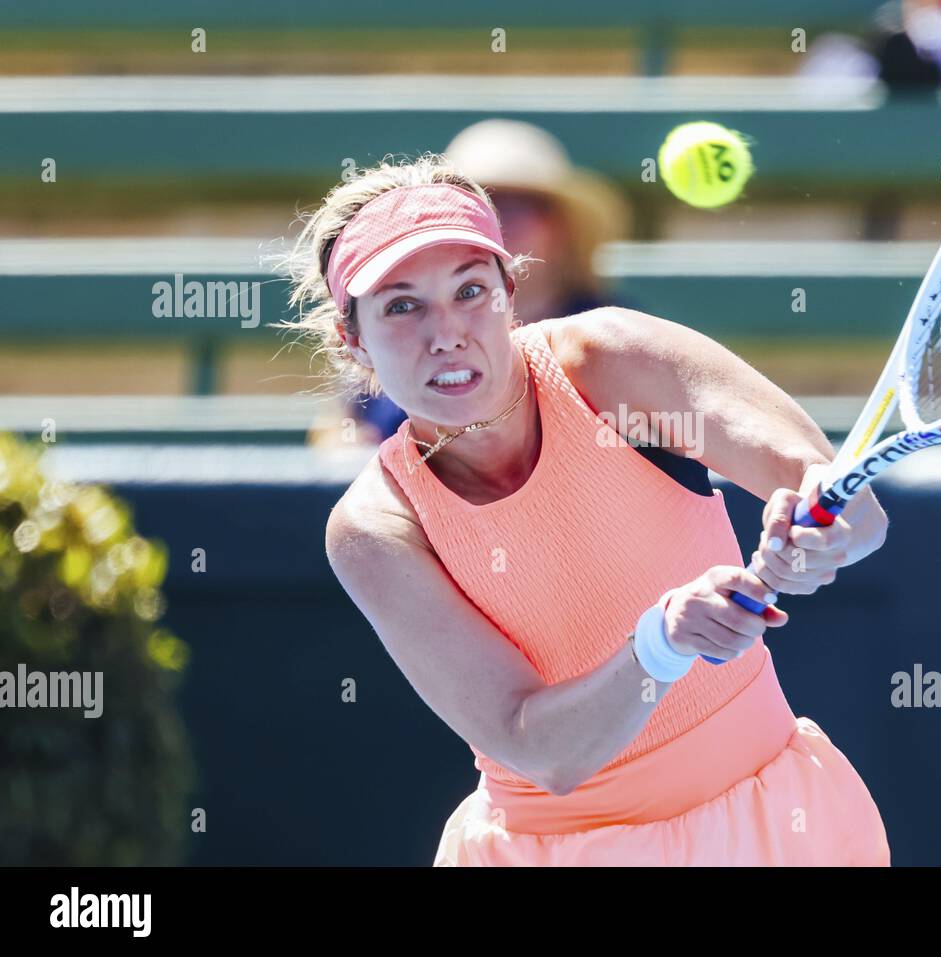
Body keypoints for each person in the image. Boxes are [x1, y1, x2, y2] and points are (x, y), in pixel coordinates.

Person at [276, 154, 891, 866]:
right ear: (353, 335)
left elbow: (857, 512)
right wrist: (663, 640)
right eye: (402, 305)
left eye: (470, 290)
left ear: (511, 291)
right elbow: (542, 749)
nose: (445, 331)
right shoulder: (375, 527)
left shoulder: (615, 360)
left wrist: (815, 536)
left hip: (779, 829)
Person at [345, 120, 631, 443]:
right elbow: (342, 432)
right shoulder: (393, 339)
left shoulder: (614, 333)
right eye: (480, 204)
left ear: (559, 224)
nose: (496, 218)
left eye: (520, 203)